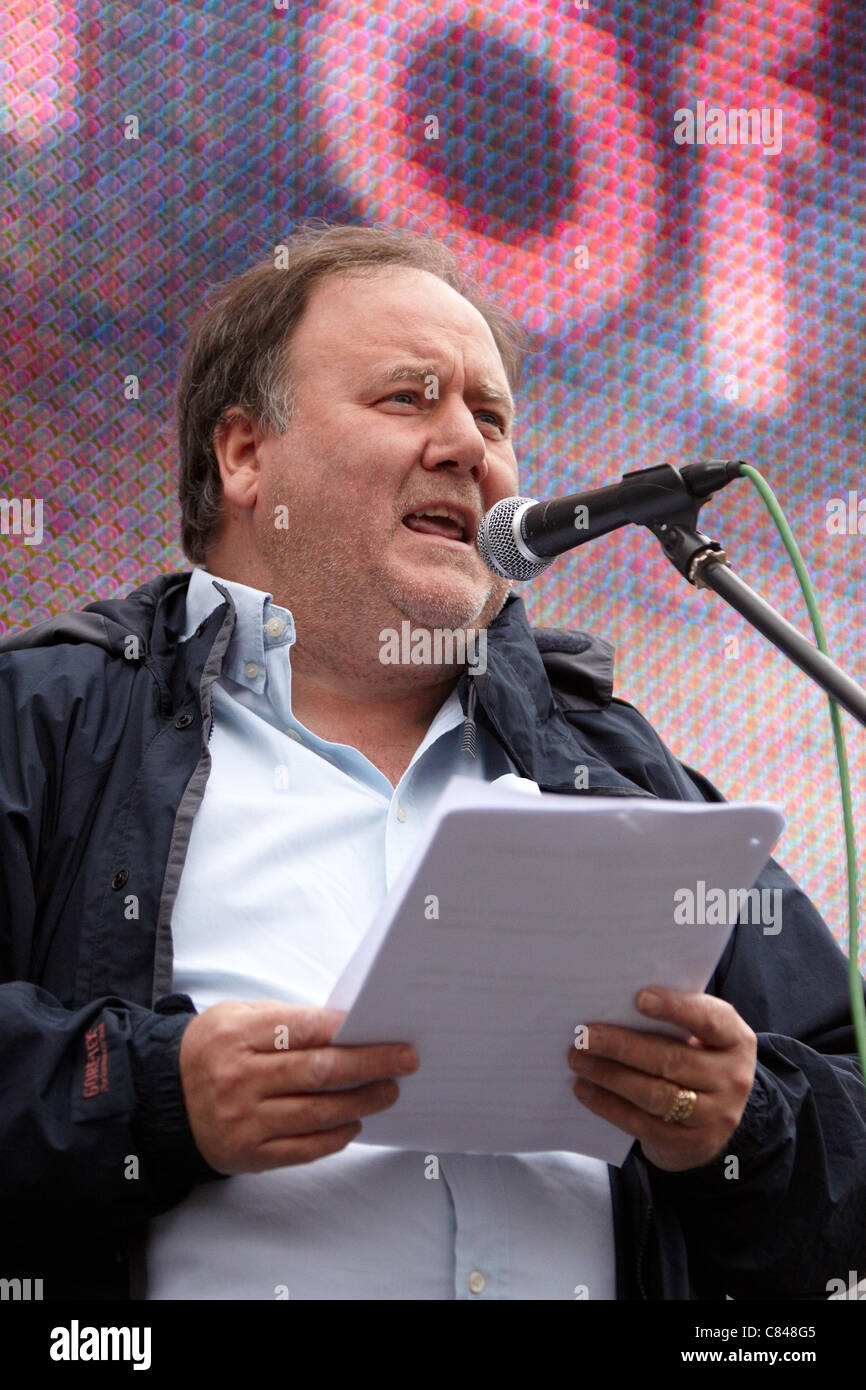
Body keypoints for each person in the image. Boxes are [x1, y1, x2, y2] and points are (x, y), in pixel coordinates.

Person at [1, 223, 863, 1301]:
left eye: (489, 416)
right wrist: (148, 1095)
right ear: (243, 455)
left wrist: (747, 1125)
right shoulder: (42, 724)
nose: (468, 447)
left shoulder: (618, 767)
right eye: (408, 397)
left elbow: (844, 1126)